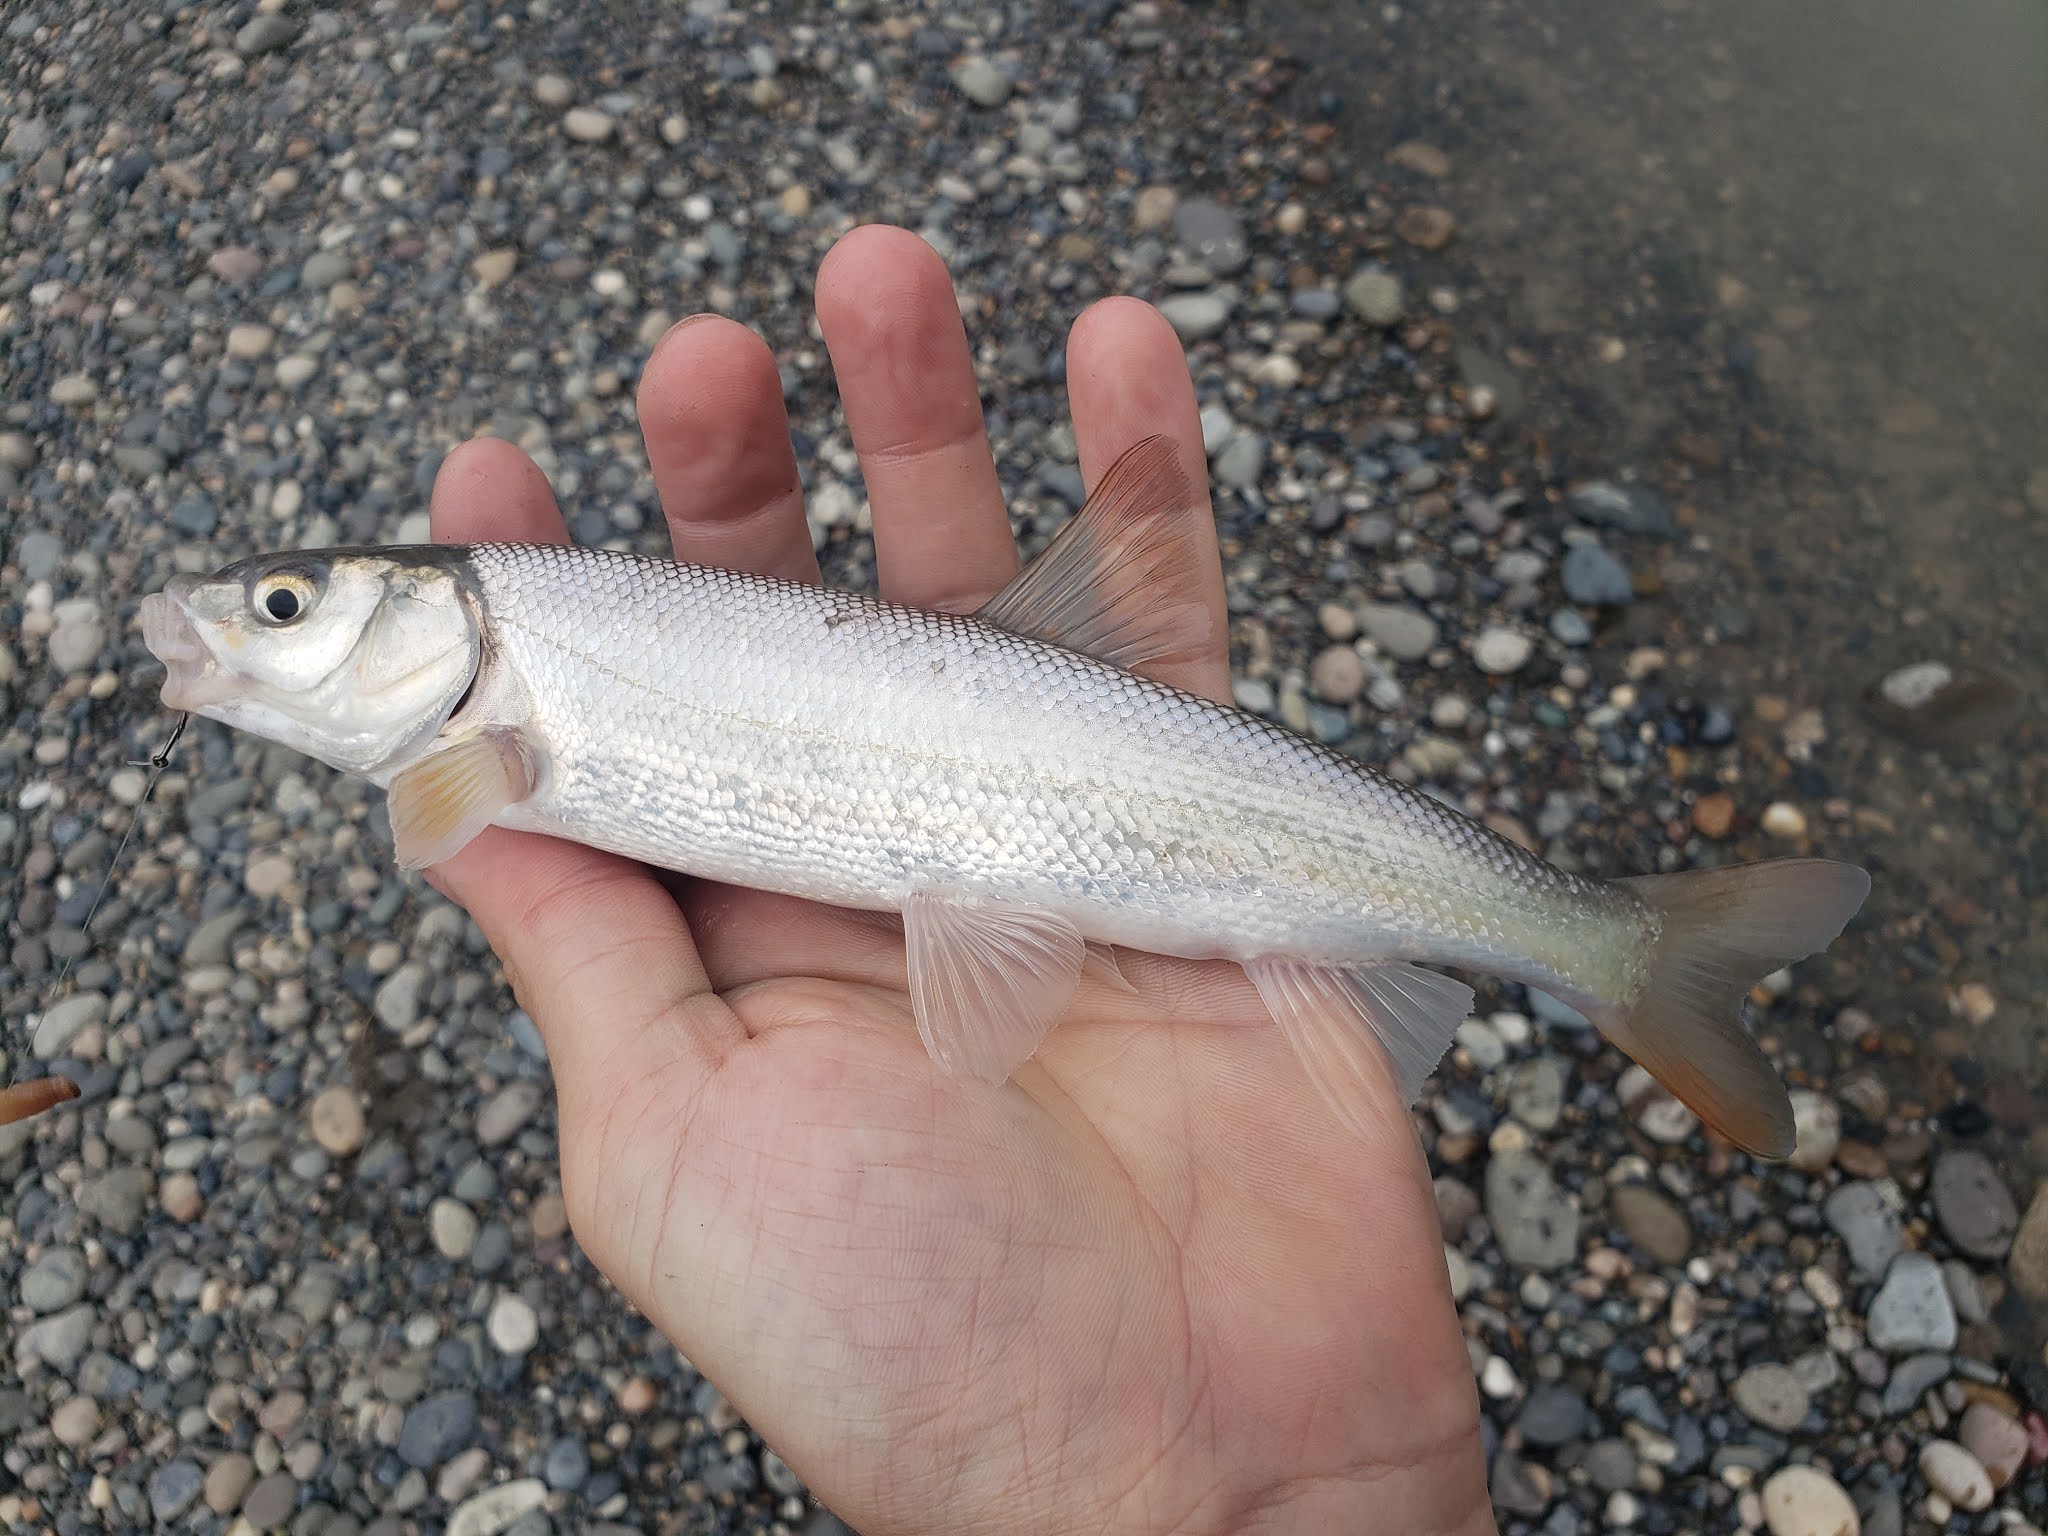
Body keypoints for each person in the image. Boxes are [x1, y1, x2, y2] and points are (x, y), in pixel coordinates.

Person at [425, 224, 1495, 1535]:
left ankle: (1607, 946)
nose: (239, 635)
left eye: (287, 611)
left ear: (456, 634)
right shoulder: (483, 708)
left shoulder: (497, 695)